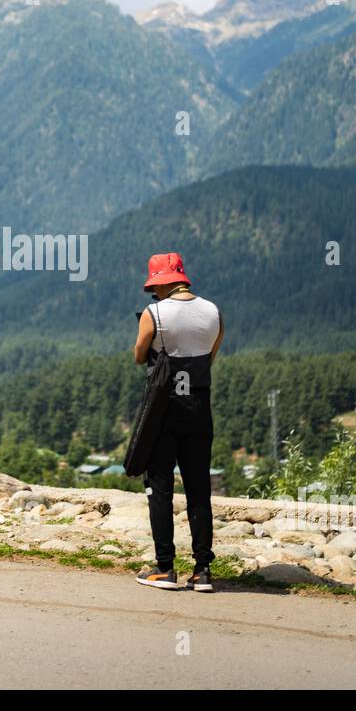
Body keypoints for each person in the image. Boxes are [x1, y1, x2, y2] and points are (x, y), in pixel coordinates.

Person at [131, 252, 223, 593]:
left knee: (160, 488)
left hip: (163, 412)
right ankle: (202, 571)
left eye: (154, 288)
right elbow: (209, 357)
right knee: (199, 489)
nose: (154, 295)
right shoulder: (214, 312)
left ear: (163, 282)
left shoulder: (154, 314)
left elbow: (139, 355)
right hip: (198, 410)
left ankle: (165, 568)